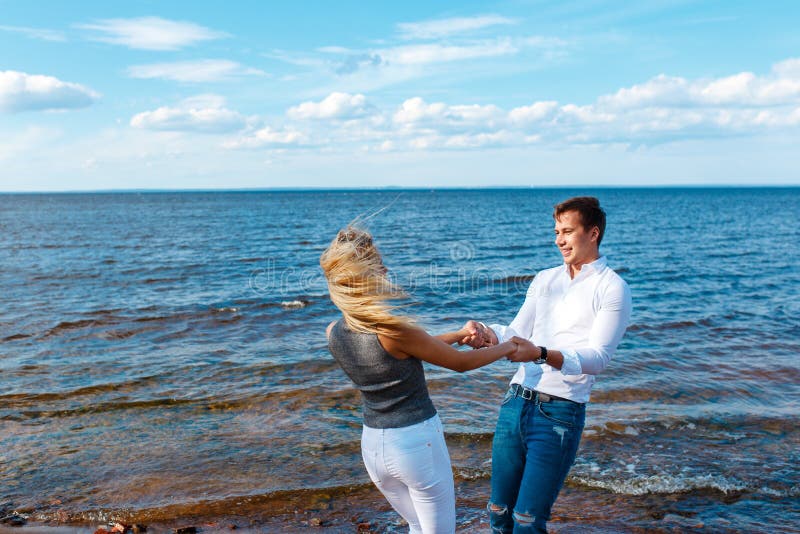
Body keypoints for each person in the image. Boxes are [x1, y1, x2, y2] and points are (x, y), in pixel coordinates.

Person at [321, 224, 524, 534]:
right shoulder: (394, 330)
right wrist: (510, 346)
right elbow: (460, 364)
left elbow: (412, 350)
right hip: (415, 444)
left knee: (417, 526)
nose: (385, 268)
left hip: (374, 446)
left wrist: (459, 334)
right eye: (377, 264)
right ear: (362, 277)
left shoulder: (334, 332)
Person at [465, 196, 632, 533]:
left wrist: (541, 354)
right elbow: (516, 333)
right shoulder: (545, 279)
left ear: (593, 233)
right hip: (515, 403)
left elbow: (598, 359)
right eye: (556, 231)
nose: (559, 240)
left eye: (567, 231)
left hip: (560, 414)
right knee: (498, 511)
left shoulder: (613, 287)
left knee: (527, 520)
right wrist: (488, 335)